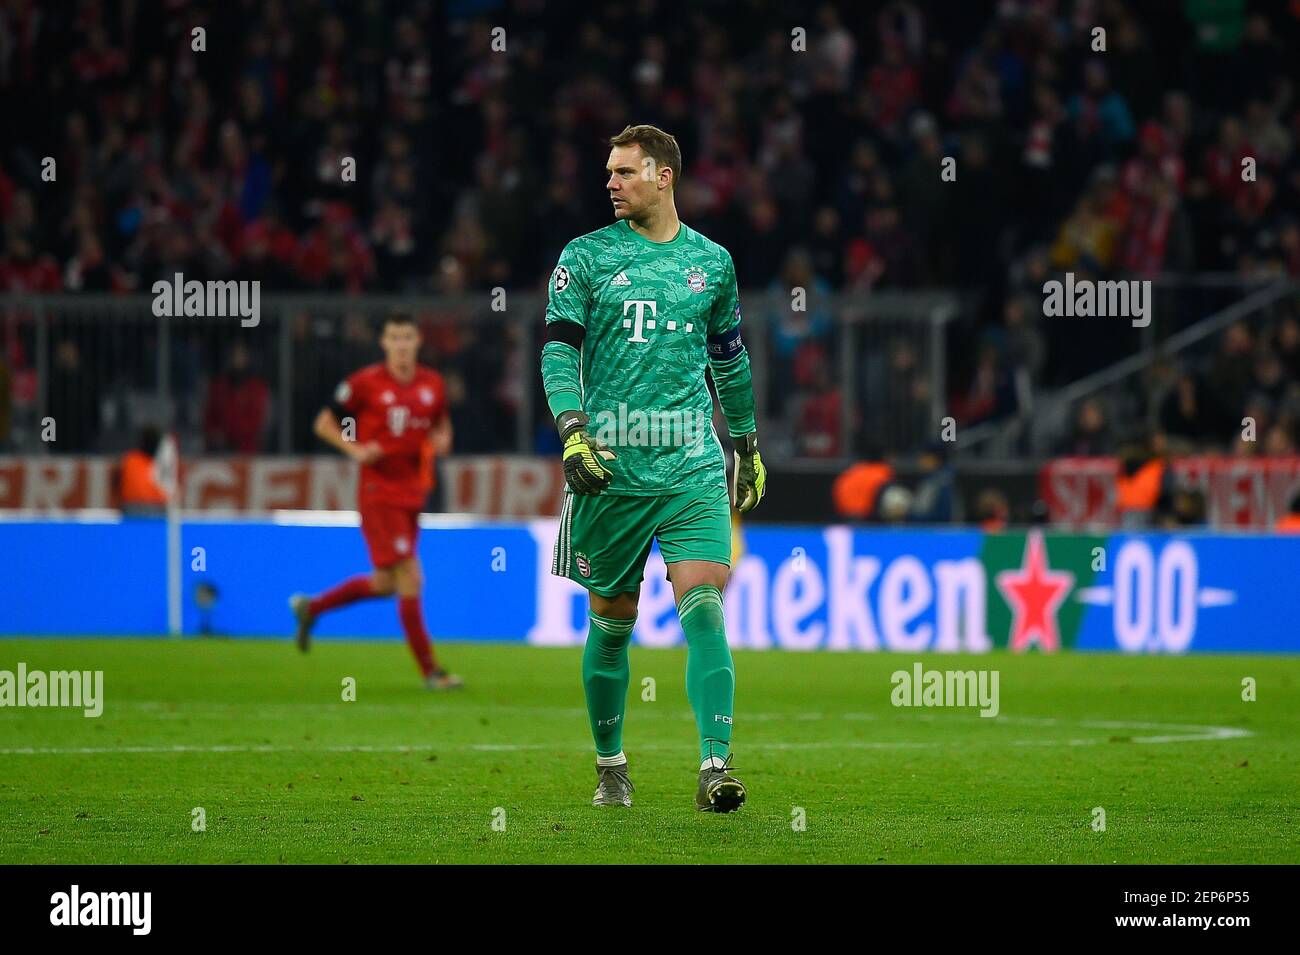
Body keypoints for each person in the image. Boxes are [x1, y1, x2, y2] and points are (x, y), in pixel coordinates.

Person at [541, 124, 766, 812]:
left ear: (663, 175)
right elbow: (557, 352)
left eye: (625, 171)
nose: (610, 181)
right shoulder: (584, 257)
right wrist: (572, 429)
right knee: (613, 616)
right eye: (608, 172)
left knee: (704, 602)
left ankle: (714, 767)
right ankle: (611, 764)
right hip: (609, 467)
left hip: (692, 463)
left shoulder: (713, 263)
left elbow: (728, 357)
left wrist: (747, 443)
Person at [289, 314, 462, 689]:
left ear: (418, 341)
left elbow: (440, 425)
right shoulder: (364, 384)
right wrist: (353, 450)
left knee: (387, 582)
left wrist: (443, 439)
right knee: (411, 576)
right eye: (394, 337)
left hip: (413, 493)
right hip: (379, 493)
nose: (401, 344)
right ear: (384, 343)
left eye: (407, 337)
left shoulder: (433, 384)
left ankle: (312, 608)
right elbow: (323, 423)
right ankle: (431, 672)